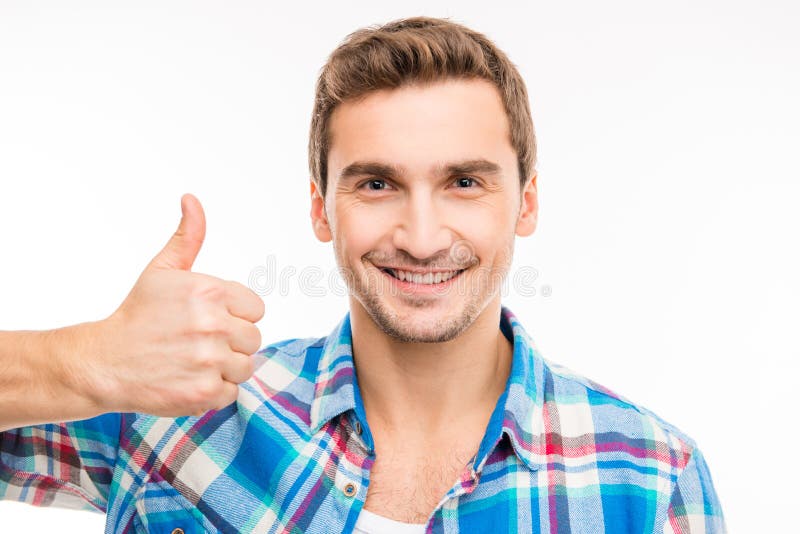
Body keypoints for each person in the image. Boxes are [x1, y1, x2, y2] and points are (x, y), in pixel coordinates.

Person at [0, 15, 725, 533]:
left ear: (525, 203)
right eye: (377, 184)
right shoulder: (175, 411)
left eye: (464, 183)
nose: (422, 238)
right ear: (322, 208)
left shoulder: (651, 478)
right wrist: (85, 360)